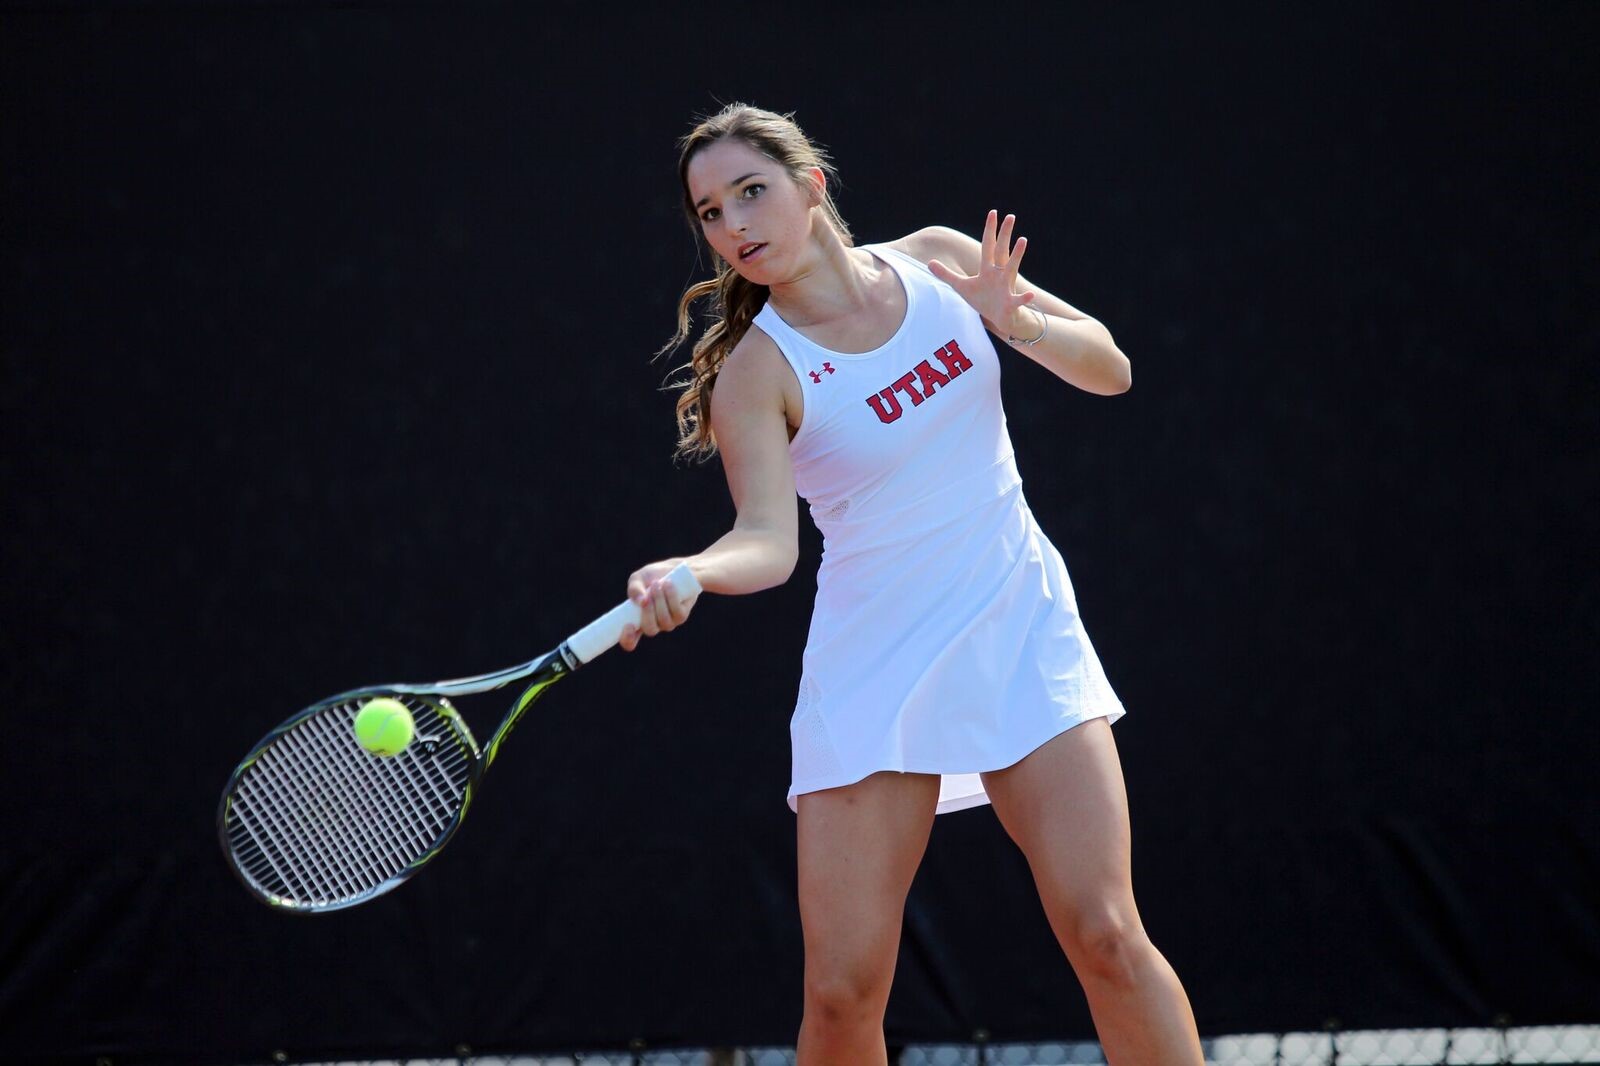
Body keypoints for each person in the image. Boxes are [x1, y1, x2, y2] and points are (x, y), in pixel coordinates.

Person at [619, 103, 1204, 1066]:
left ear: (812, 186)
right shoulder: (753, 374)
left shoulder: (937, 261)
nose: (734, 226)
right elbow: (766, 541)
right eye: (711, 212)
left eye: (751, 192)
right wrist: (692, 572)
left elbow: (1113, 372)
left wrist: (1016, 322)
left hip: (1017, 622)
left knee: (1105, 931)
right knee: (843, 993)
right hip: (875, 664)